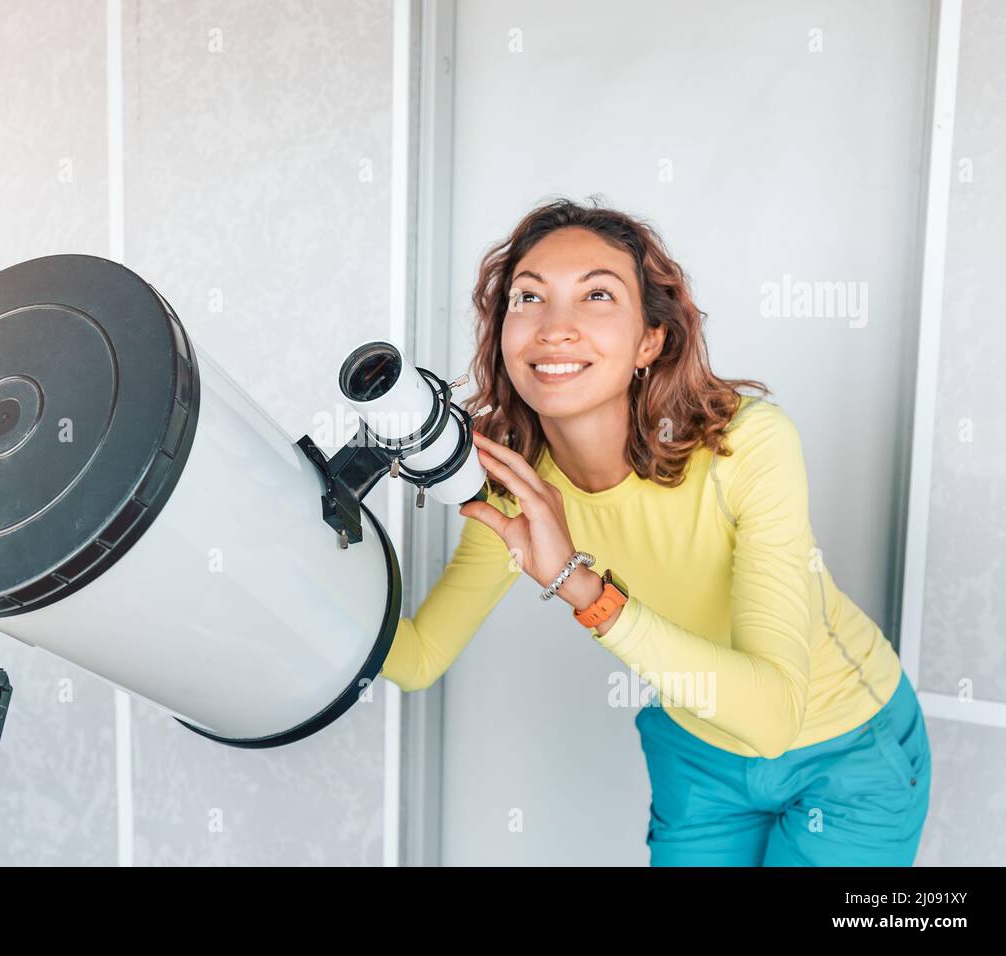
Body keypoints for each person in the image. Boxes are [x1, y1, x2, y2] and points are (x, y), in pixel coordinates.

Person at [379, 197, 931, 866]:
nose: (555, 328)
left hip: (846, 749)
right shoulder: (515, 489)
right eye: (528, 298)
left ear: (650, 339)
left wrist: (583, 589)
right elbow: (414, 659)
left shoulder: (746, 447)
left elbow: (772, 717)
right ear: (502, 333)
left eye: (597, 295)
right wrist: (291, 538)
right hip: (697, 756)